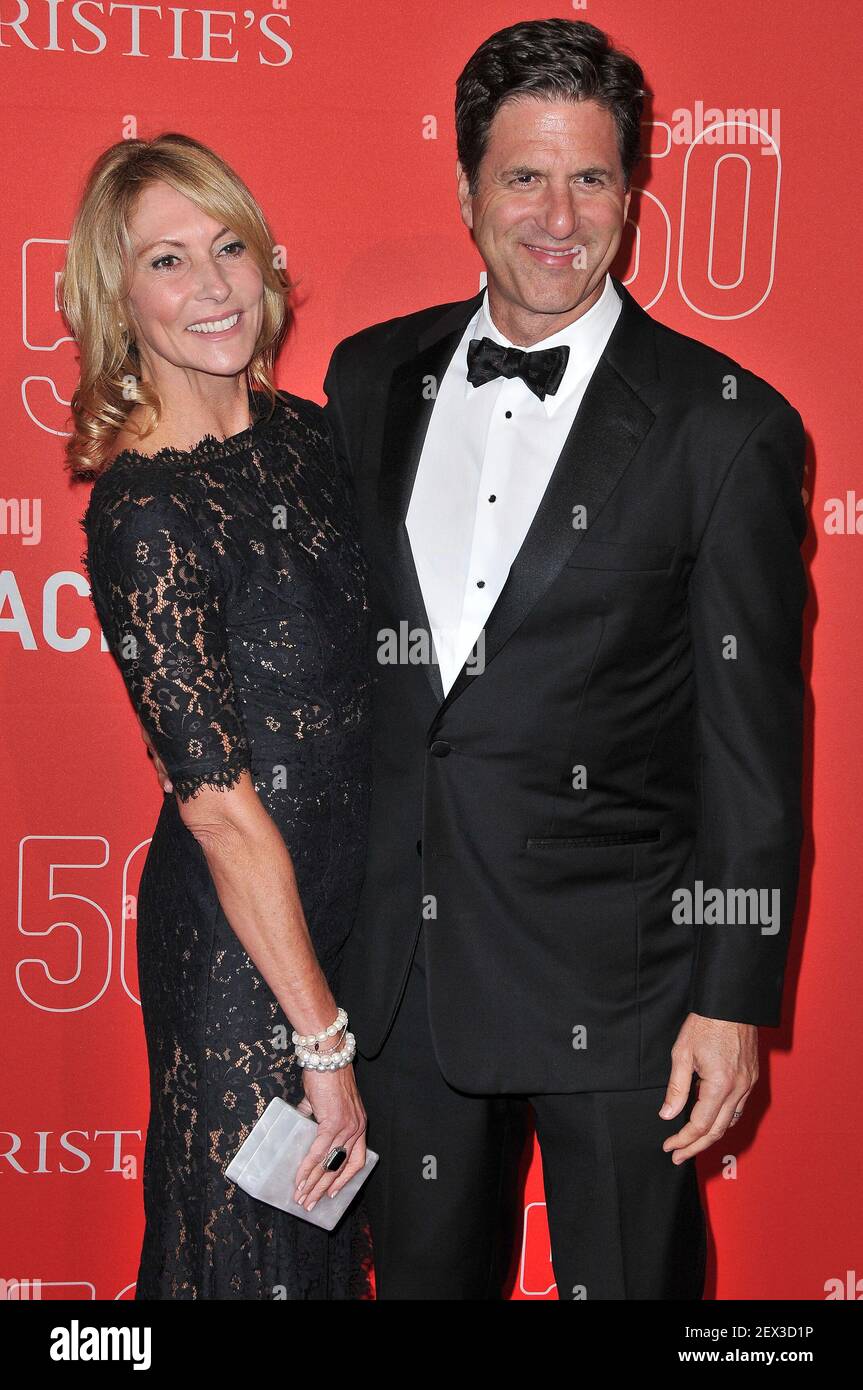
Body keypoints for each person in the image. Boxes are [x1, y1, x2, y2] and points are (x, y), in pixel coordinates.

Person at [321, 18, 808, 1299]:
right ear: (466, 189)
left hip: (625, 991)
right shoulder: (370, 377)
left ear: (633, 194)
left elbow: (753, 755)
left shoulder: (727, 430)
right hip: (404, 984)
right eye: (522, 177)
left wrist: (731, 996)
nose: (556, 216)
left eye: (589, 177)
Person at [65, 132, 373, 1299]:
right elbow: (221, 810)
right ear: (117, 298)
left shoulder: (308, 438)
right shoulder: (144, 513)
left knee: (329, 1255)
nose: (210, 287)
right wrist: (320, 1040)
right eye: (166, 261)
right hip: (251, 966)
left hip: (352, 917)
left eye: (227, 246)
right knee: (254, 1257)